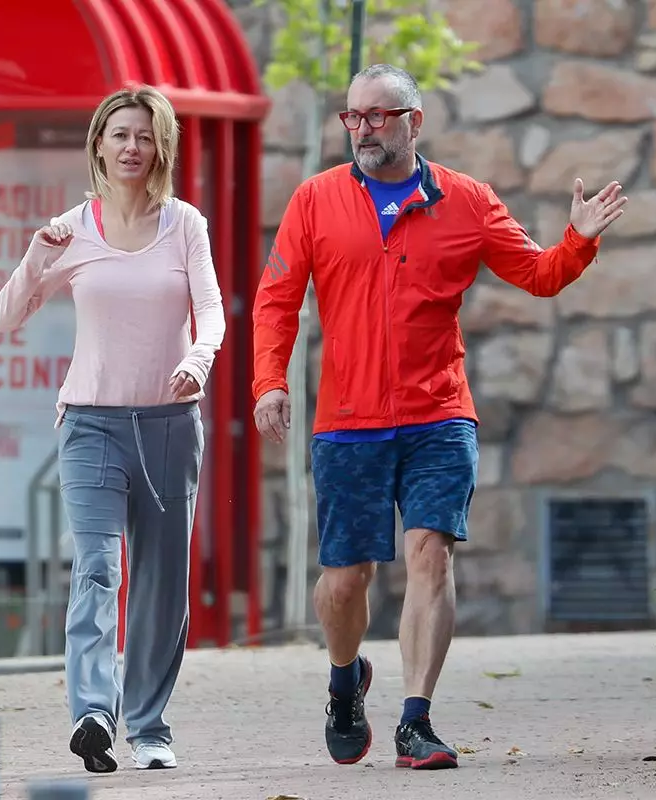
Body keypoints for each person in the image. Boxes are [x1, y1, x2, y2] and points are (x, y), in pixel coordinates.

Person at [250, 64, 627, 771]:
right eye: (352, 117)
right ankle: (343, 681)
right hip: (349, 420)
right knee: (344, 580)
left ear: (414, 122)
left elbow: (539, 275)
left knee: (431, 554)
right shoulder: (315, 201)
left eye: (378, 116)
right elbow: (276, 300)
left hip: (438, 414)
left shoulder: (468, 202)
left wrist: (576, 239)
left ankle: (415, 720)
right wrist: (269, 381)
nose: (362, 130)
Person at [0, 85, 225, 773]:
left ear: (161, 148)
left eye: (145, 136)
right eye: (120, 134)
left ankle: (149, 726)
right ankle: (94, 712)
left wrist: (197, 359)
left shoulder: (185, 225)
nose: (132, 146)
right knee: (97, 569)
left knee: (160, 581)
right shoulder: (71, 230)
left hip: (169, 426)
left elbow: (210, 312)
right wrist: (37, 256)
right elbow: (7, 319)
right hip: (90, 423)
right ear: (98, 143)